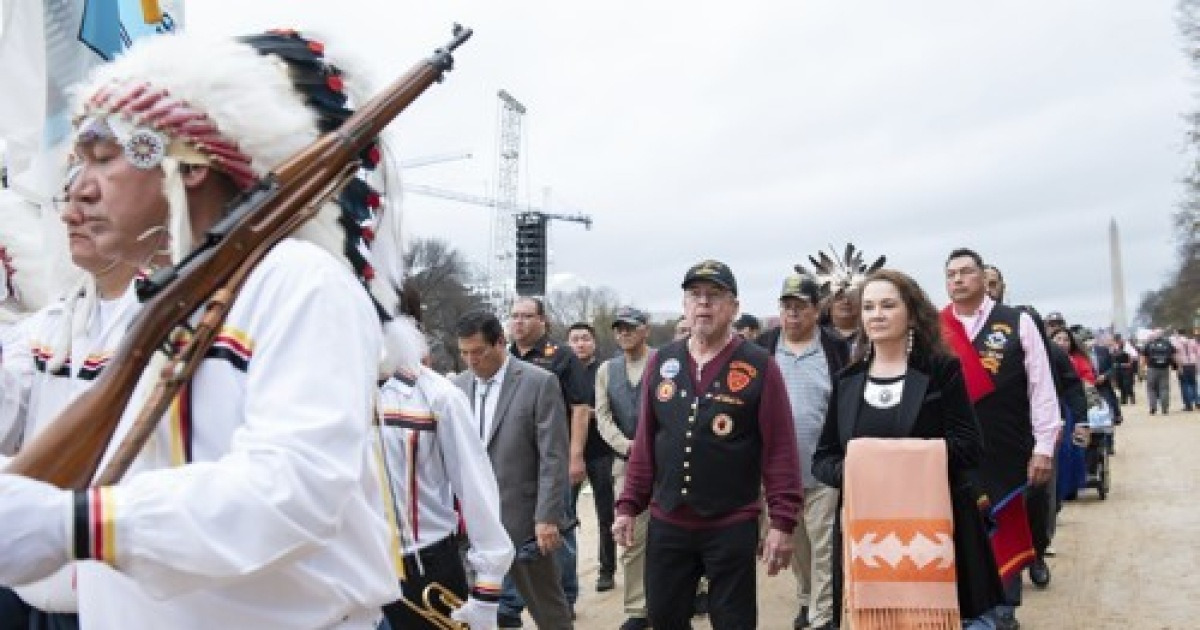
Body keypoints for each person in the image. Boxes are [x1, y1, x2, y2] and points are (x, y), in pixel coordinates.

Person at [0, 31, 421, 628]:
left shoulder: (300, 282)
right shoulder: (147, 305)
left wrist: (79, 523)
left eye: (103, 157)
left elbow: (291, 488)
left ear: (189, 165)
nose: (78, 192)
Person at [613, 259, 802, 630]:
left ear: (733, 306)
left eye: (714, 296)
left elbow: (780, 449)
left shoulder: (759, 364)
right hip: (669, 521)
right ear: (684, 305)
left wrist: (782, 521)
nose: (703, 304)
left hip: (731, 522)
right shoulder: (662, 362)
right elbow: (645, 444)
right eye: (695, 295)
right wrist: (627, 506)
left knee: (734, 621)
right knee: (664, 617)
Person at [812, 268, 1003, 628]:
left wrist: (898, 462)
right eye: (868, 307)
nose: (876, 315)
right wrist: (857, 469)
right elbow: (823, 459)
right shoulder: (848, 381)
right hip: (866, 542)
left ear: (911, 313)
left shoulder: (940, 371)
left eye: (887, 305)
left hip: (935, 536)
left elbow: (969, 446)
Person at [0, 171, 142, 629]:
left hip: (115, 605)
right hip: (30, 599)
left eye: (93, 198)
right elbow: (6, 424)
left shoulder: (177, 321)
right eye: (69, 197)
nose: (69, 214)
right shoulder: (49, 325)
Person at [376, 290, 514, 630]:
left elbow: (475, 485)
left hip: (425, 567)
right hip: (353, 569)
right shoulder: (329, 394)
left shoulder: (439, 396)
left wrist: (487, 586)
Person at [941, 249, 1060, 630]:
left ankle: (1005, 611)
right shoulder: (934, 328)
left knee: (1007, 525)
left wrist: (1044, 447)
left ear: (983, 277)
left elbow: (1041, 389)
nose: (958, 280)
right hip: (956, 453)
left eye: (965, 272)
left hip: (1008, 450)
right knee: (962, 532)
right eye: (951, 274)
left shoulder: (1016, 322)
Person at [453, 311, 573, 630]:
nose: (471, 360)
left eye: (478, 351)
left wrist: (547, 517)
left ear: (500, 343)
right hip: (471, 522)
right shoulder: (455, 388)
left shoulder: (538, 382)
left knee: (548, 607)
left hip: (524, 519)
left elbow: (553, 456)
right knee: (474, 608)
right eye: (464, 353)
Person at [755, 273, 848, 630]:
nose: (792, 313)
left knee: (824, 543)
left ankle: (822, 615)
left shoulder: (835, 348)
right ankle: (808, 596)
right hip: (778, 471)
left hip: (823, 465)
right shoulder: (763, 347)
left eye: (801, 306)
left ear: (816, 309)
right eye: (787, 306)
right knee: (797, 544)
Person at [504, 297, 588, 624]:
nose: (519, 322)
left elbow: (580, 408)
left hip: (553, 460)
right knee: (514, 533)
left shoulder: (561, 356)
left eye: (526, 316)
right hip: (516, 464)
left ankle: (565, 597)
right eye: (514, 316)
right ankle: (511, 604)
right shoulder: (506, 356)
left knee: (558, 532)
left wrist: (575, 456)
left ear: (542, 321)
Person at [594, 306, 654, 630]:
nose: (624, 333)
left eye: (630, 327)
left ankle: (695, 589)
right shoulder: (606, 370)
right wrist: (627, 446)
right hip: (626, 463)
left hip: (667, 461)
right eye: (618, 329)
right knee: (630, 536)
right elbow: (602, 416)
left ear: (645, 329)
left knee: (682, 529)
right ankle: (637, 608)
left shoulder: (665, 362)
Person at [565, 322, 617, 594]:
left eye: (585, 338)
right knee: (565, 516)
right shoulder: (562, 370)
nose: (580, 344)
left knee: (605, 513)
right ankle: (567, 579)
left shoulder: (606, 371)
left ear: (594, 342)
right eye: (574, 339)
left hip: (601, 451)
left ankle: (606, 569)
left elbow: (611, 408)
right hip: (570, 452)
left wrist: (585, 414)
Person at [1142, 331, 1176, 415]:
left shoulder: (1149, 344)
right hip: (1164, 368)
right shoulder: (1167, 343)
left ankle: (1153, 407)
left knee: (1151, 388)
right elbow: (1173, 355)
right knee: (1164, 388)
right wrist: (1175, 365)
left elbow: (1144, 356)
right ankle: (1165, 408)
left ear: (1154, 336)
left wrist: (1143, 368)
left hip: (1152, 368)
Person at [1170, 329, 1198, 411]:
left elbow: (1176, 356)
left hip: (1183, 365)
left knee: (1185, 384)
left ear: (1178, 334)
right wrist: (1196, 365)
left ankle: (1188, 405)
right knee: (1193, 384)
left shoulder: (1176, 343)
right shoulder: (1192, 341)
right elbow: (1197, 354)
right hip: (1192, 364)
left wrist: (1179, 366)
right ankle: (1197, 402)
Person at [1112, 334, 1137, 405]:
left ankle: (1132, 396)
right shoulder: (1114, 347)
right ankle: (1123, 399)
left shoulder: (1127, 346)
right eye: (1116, 340)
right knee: (1120, 384)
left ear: (1120, 339)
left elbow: (1134, 355)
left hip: (1126, 368)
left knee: (1127, 384)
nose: (1117, 341)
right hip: (1117, 368)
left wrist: (1129, 363)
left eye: (1118, 340)